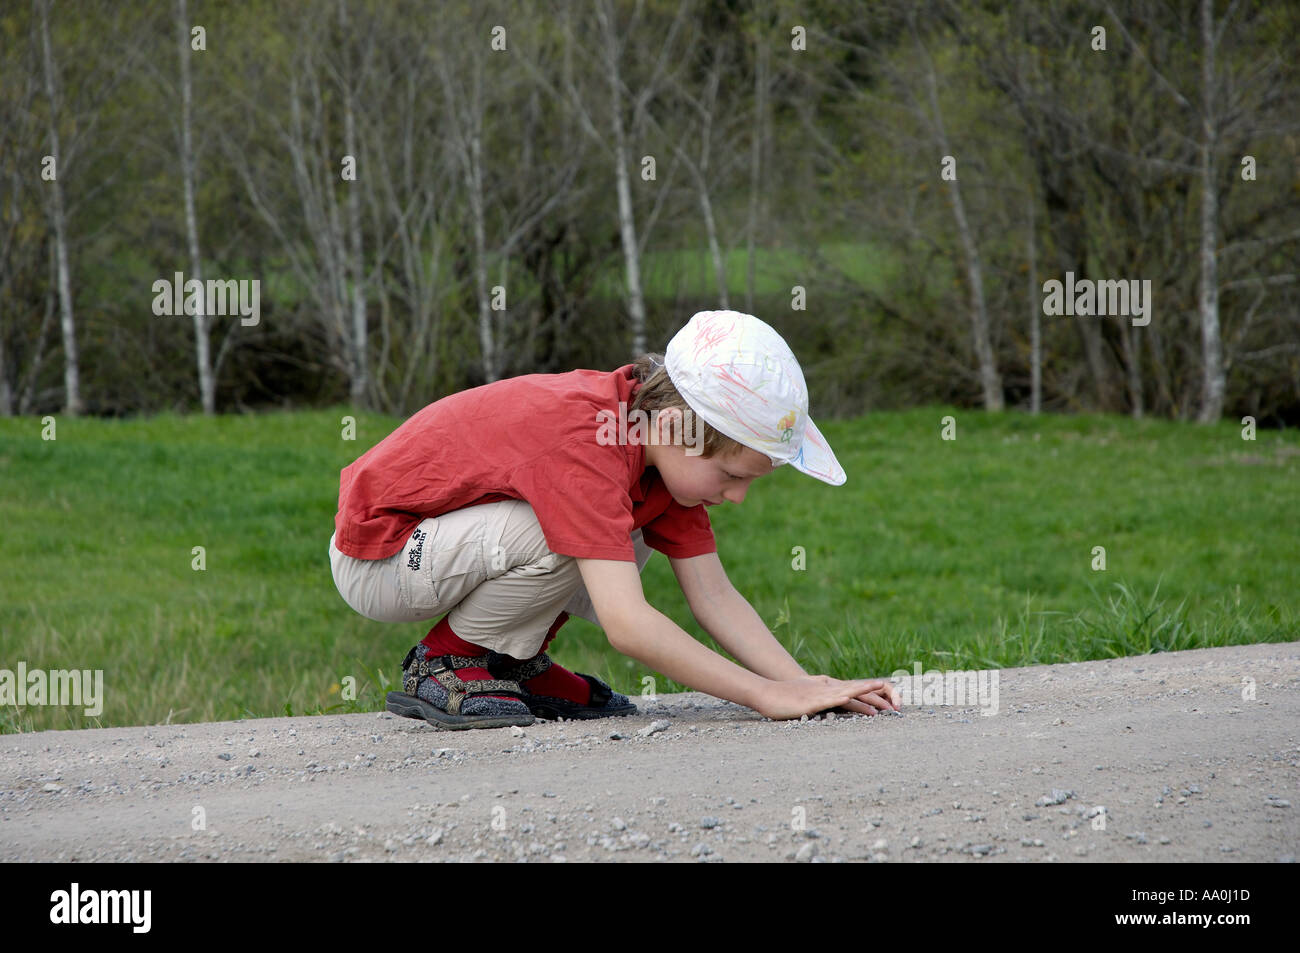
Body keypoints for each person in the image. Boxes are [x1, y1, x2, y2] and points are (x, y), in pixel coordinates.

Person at [329, 309, 901, 730]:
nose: (739, 497)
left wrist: (799, 685)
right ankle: (447, 663)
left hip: (447, 545)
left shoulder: (660, 458)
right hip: (382, 557)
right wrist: (761, 696)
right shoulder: (589, 441)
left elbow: (715, 596)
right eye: (732, 477)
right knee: (569, 532)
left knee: (614, 532)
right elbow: (627, 625)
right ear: (680, 428)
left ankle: (511, 663)